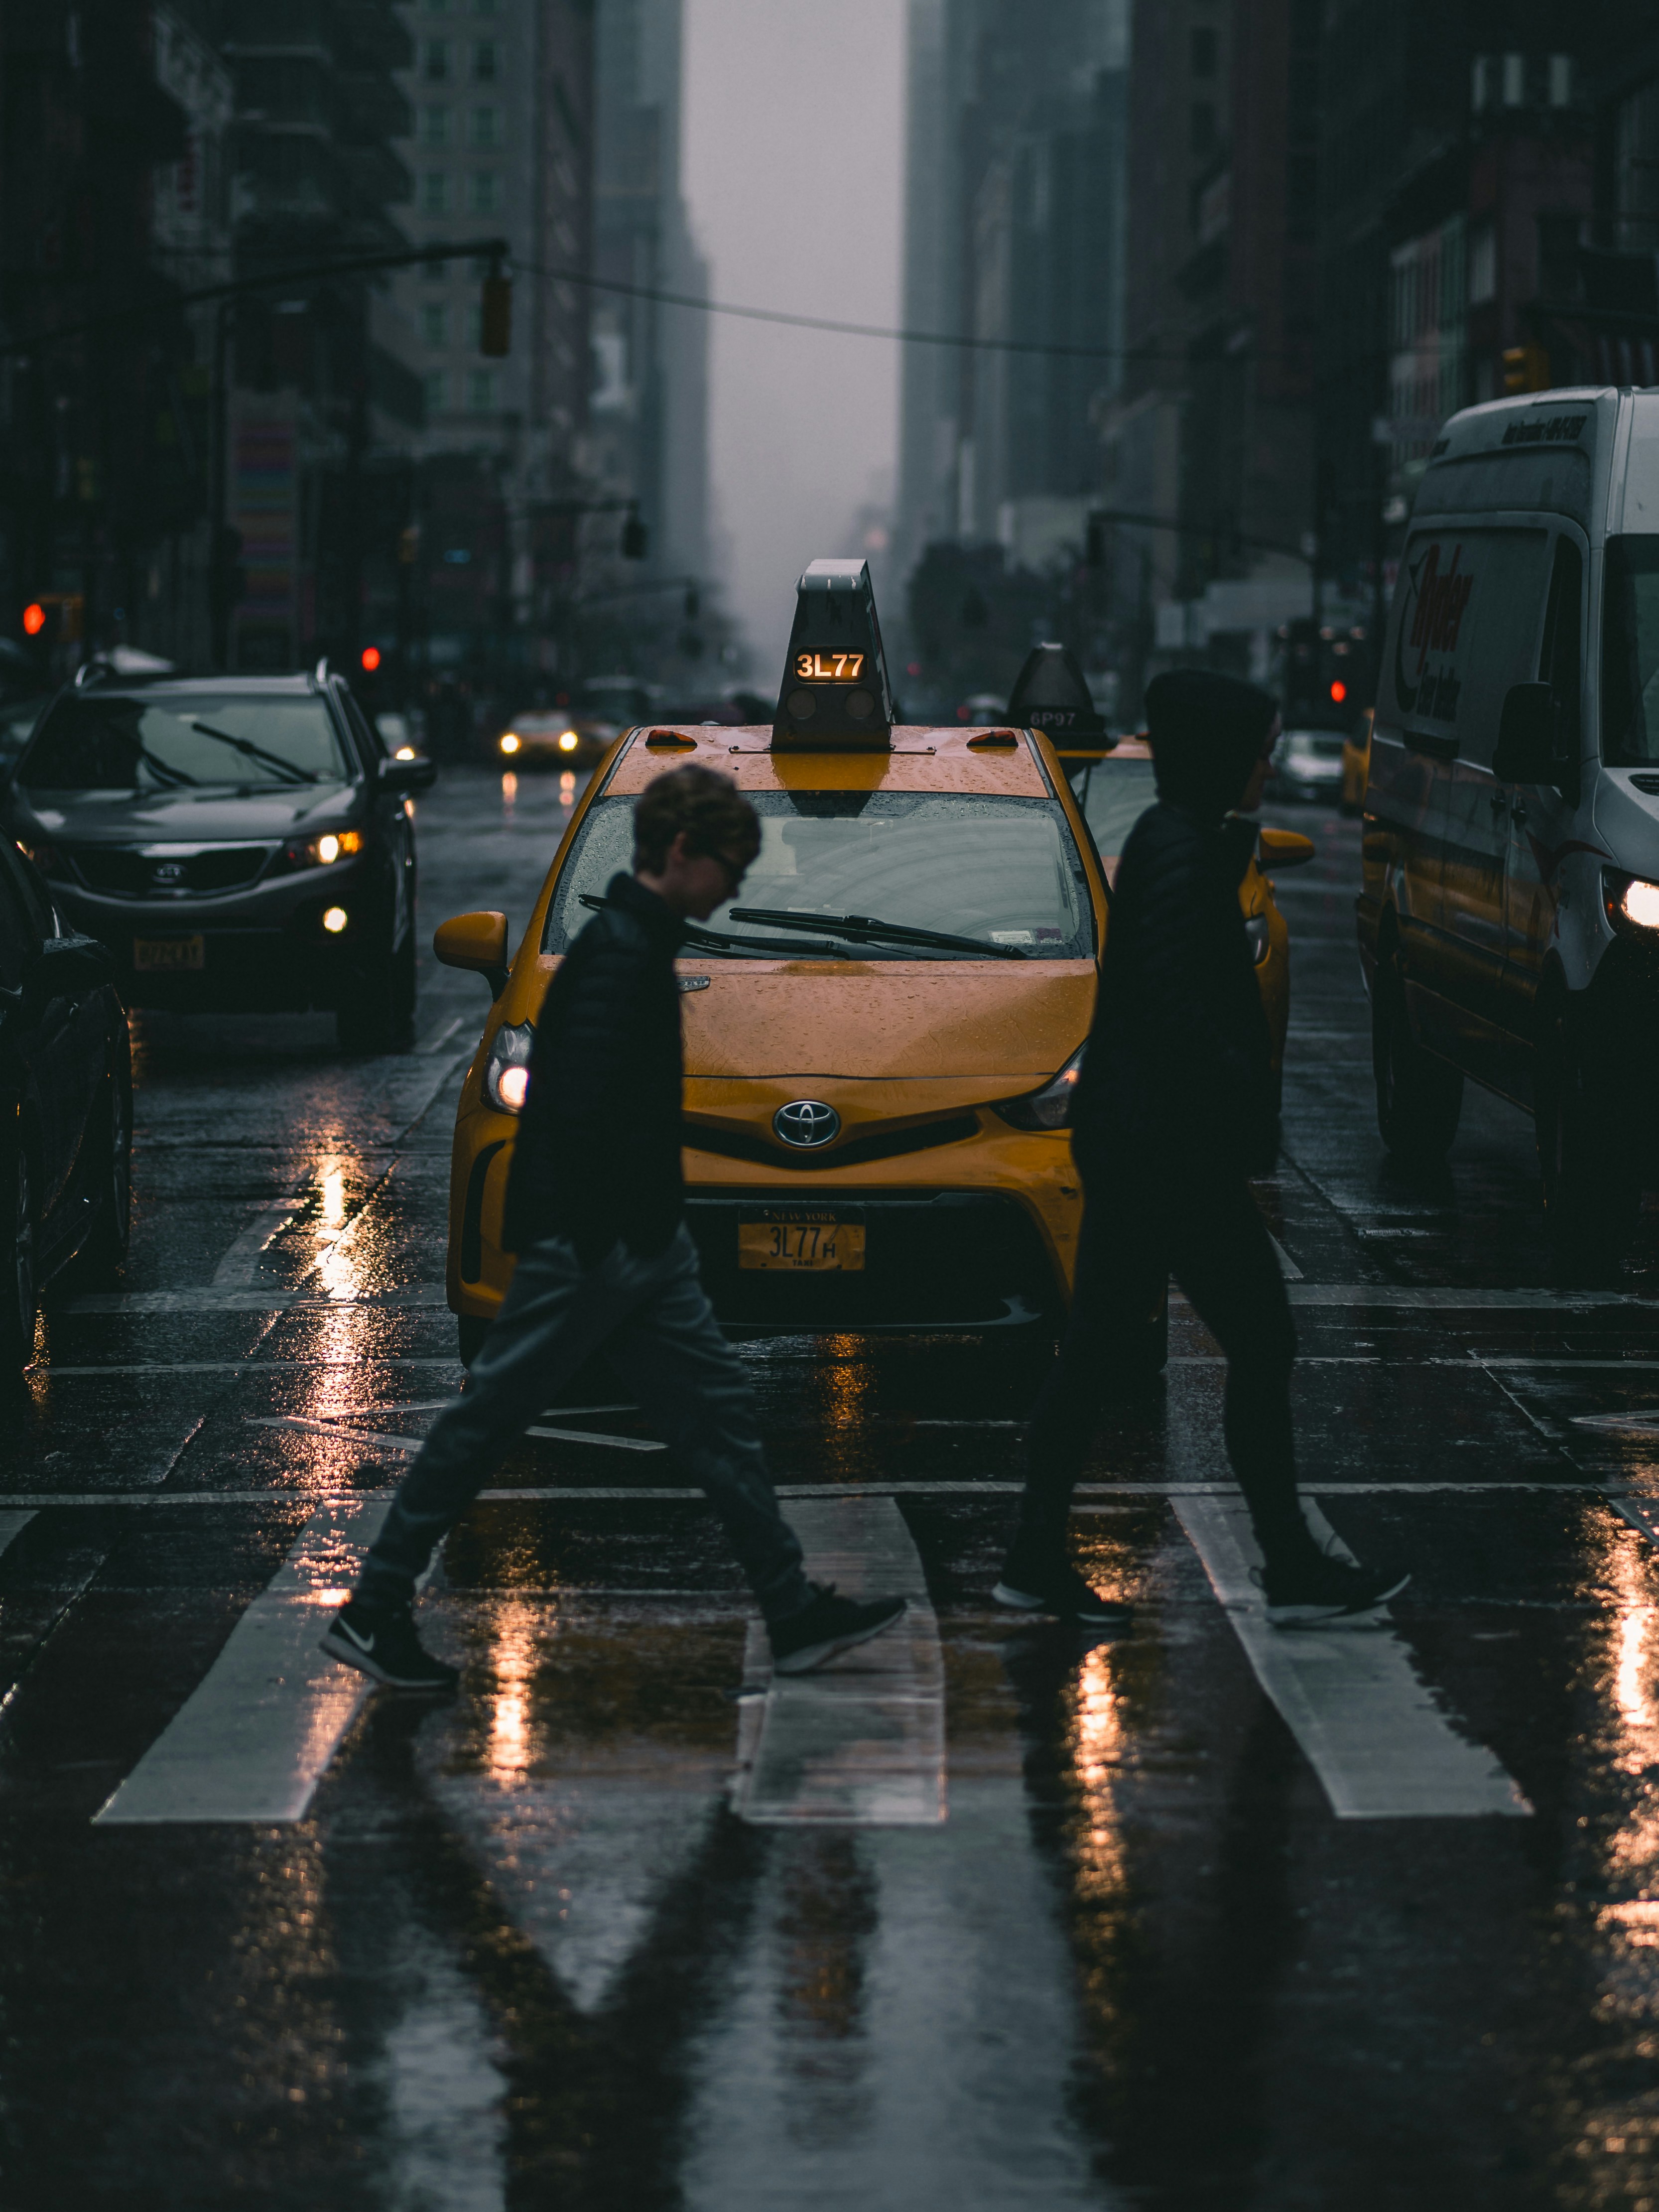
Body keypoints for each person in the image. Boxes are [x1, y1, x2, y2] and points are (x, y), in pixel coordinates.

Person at [326, 761, 907, 1690]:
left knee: (718, 1422)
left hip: (635, 1248)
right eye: (728, 866)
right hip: (600, 1249)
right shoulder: (622, 952)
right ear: (681, 851)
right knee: (489, 1422)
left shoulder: (634, 941)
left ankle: (792, 1607)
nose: (735, 888)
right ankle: (373, 1607)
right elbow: (581, 1109)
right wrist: (611, 1245)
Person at [995, 668, 1408, 1631]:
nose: (1271, 762)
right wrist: (1234, 1079)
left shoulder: (1176, 842)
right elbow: (1180, 1012)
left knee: (1099, 1351)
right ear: (1225, 755)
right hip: (1171, 1158)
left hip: (1148, 1149)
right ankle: (1292, 1569)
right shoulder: (1180, 854)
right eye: (1261, 746)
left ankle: (1034, 1557)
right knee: (1259, 1341)